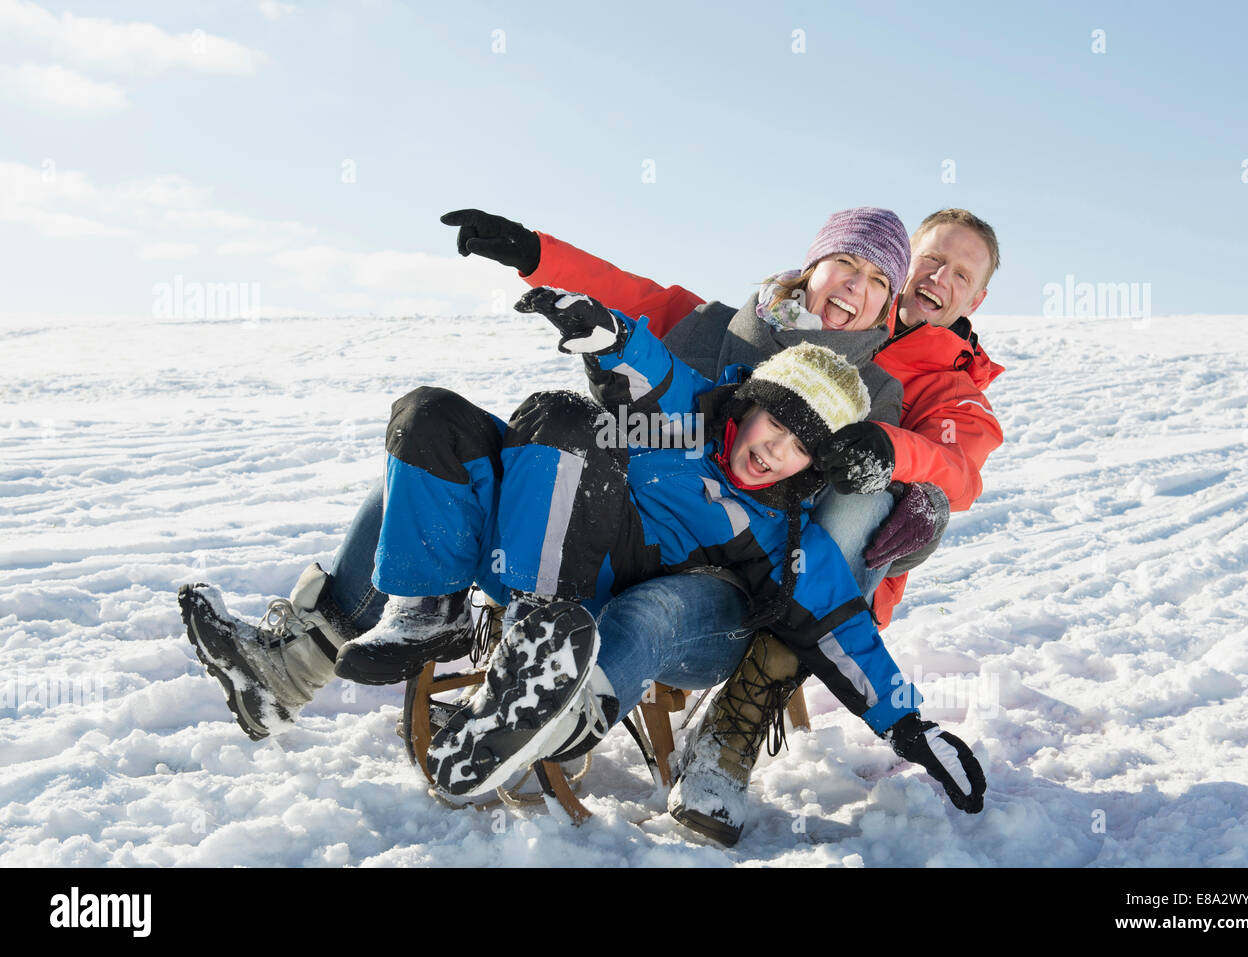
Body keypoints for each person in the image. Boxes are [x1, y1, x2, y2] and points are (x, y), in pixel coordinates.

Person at [177, 206, 979, 842]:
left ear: (894, 301)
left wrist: (909, 714)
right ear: (815, 260)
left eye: (879, 279)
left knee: (648, 609)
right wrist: (533, 253)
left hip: (736, 579)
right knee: (430, 471)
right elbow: (630, 316)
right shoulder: (721, 331)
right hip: (612, 508)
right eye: (848, 261)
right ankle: (295, 663)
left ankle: (561, 716)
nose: (854, 286)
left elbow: (933, 479)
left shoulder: (876, 396)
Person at [353, 287, 979, 808]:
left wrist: (909, 726)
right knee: (432, 414)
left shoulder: (771, 525)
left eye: (801, 451)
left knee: (569, 421)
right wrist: (606, 335)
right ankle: (430, 610)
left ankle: (537, 642)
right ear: (749, 405)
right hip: (527, 546)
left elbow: (840, 624)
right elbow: (651, 372)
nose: (776, 453)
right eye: (777, 426)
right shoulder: (690, 419)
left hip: (594, 577)